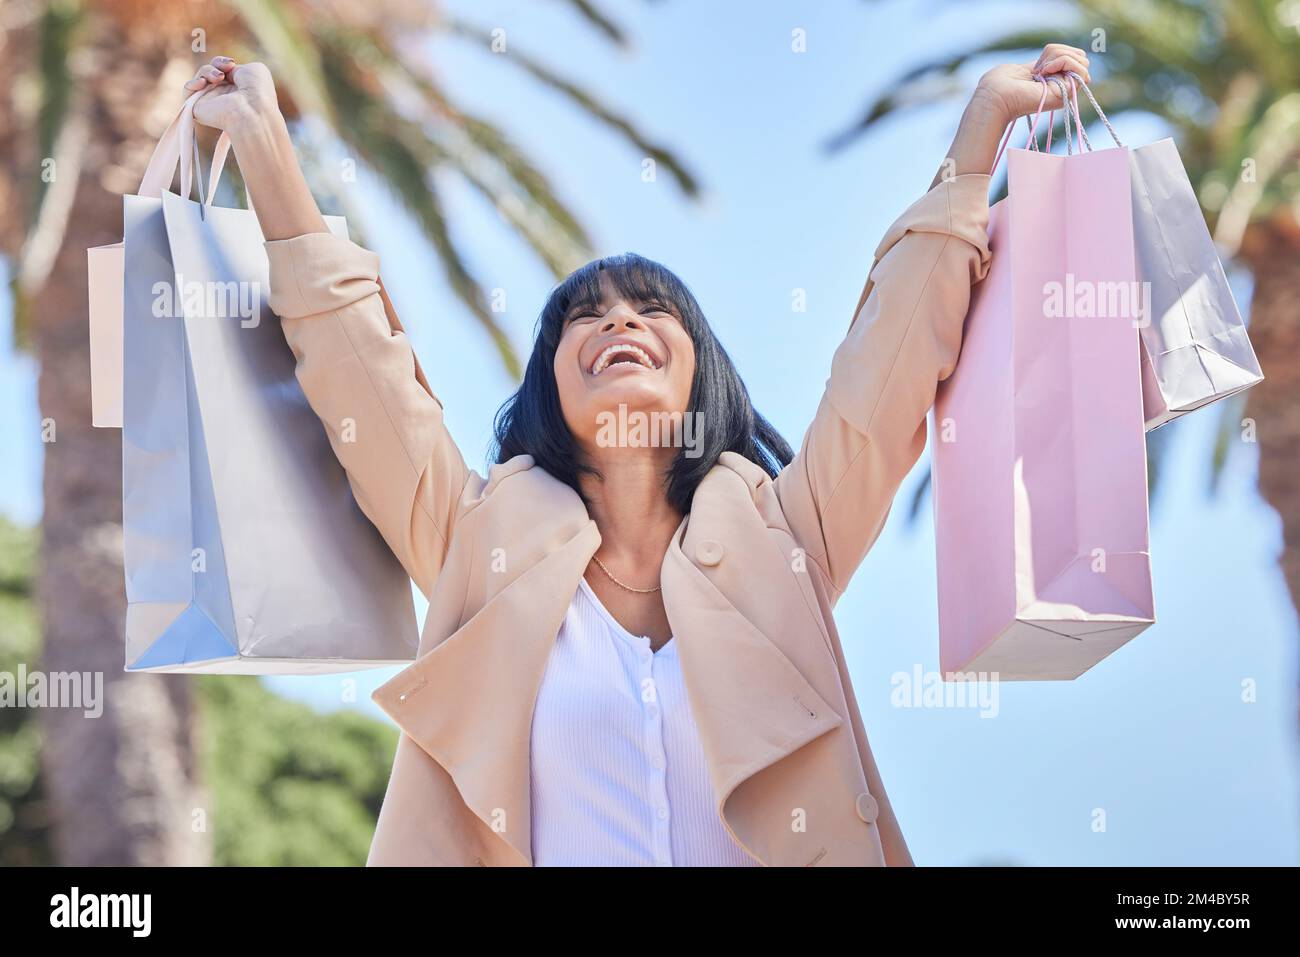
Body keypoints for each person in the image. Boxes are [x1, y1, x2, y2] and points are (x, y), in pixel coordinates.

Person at [182, 42, 1091, 867]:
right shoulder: (480, 545)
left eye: (653, 309)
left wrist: (976, 143)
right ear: (551, 386)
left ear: (704, 375)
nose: (618, 318)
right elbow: (366, 387)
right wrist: (266, 148)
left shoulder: (787, 538)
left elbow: (882, 380)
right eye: (584, 315)